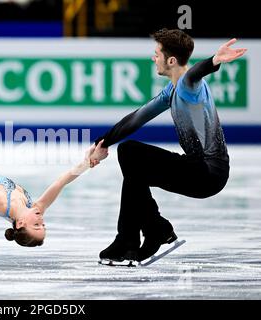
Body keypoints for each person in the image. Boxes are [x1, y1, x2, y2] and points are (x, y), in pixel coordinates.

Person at [90, 28, 247, 263]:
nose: (154, 58)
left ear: (171, 60)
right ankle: (148, 233)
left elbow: (195, 73)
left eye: (157, 54)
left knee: (131, 153)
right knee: (133, 164)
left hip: (207, 172)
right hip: (199, 168)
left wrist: (213, 61)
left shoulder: (188, 85)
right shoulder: (172, 90)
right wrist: (104, 142)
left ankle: (140, 235)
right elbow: (138, 117)